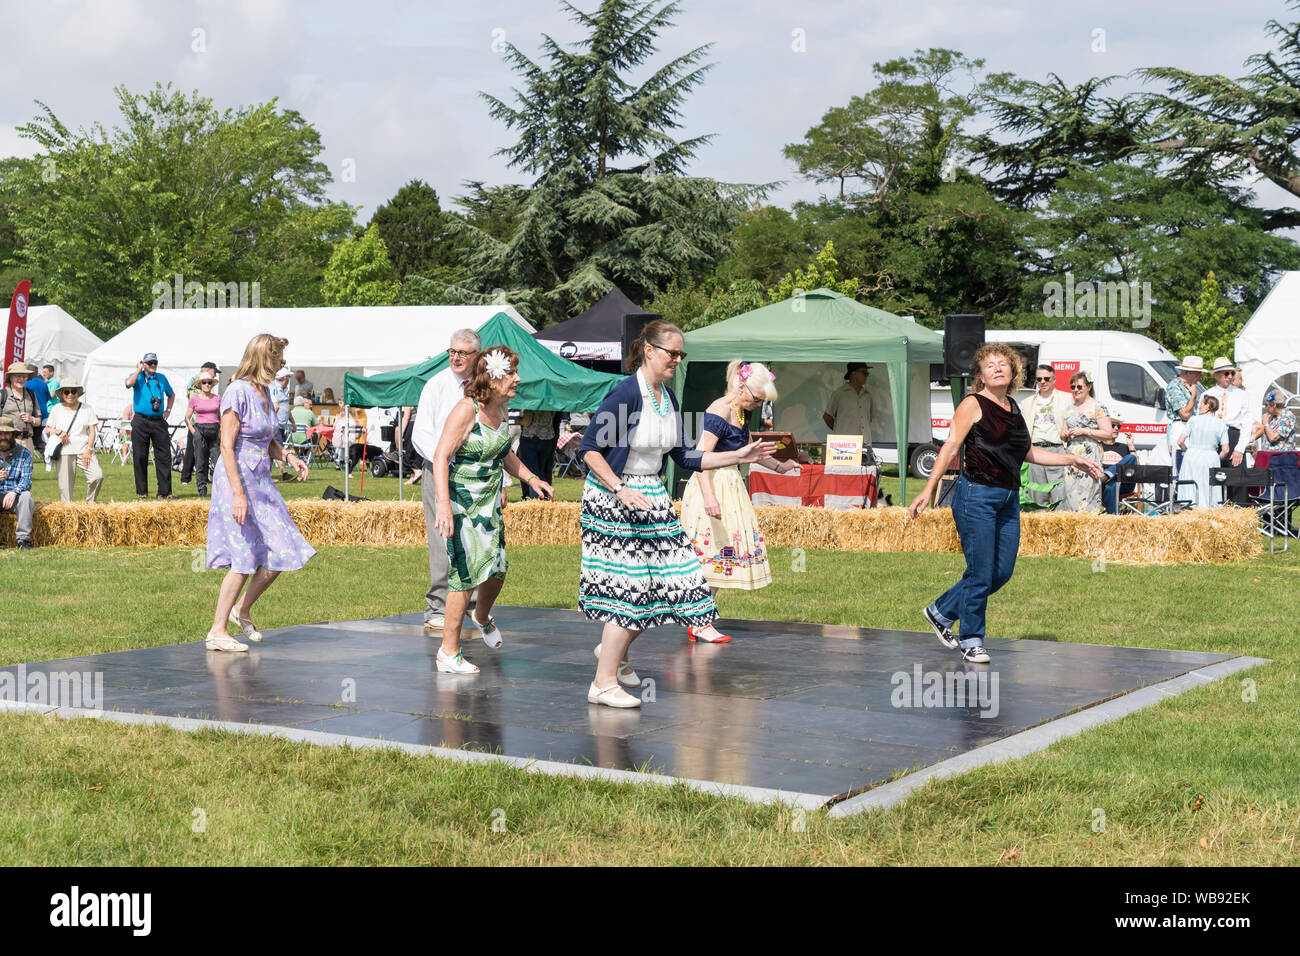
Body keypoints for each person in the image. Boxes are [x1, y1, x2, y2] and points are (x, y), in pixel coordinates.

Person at [577, 320, 776, 707]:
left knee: (678, 586)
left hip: (651, 494)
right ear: (649, 350)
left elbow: (685, 456)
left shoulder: (665, 397)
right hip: (615, 495)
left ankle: (613, 655)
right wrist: (620, 488)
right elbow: (589, 450)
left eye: (682, 354)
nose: (678, 360)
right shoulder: (625, 394)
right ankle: (602, 682)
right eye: (673, 353)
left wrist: (737, 455)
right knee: (632, 587)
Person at [910, 344, 1102, 663]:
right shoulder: (972, 404)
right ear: (981, 374)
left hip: (1008, 497)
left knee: (1000, 571)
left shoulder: (1013, 407)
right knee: (980, 571)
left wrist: (1071, 458)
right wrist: (929, 488)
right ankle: (971, 638)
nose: (997, 368)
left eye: (1003, 364)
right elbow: (950, 447)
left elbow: (1027, 452)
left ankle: (942, 611)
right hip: (977, 496)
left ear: (1013, 372)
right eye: (990, 365)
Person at [430, 346, 555, 673]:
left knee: (497, 567)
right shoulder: (465, 410)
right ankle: (448, 652)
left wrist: (531, 478)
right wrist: (443, 504)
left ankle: (481, 615)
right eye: (511, 373)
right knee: (466, 572)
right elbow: (440, 456)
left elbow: (503, 453)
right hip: (462, 500)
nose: (518, 378)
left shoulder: (501, 409)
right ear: (493, 379)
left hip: (489, 500)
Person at [204, 334, 314, 652]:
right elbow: (226, 445)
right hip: (236, 483)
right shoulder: (237, 392)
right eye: (279, 358)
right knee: (243, 557)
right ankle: (217, 631)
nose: (283, 363)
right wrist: (238, 494)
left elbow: (266, 440)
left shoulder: (264, 391)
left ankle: (242, 609)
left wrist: (288, 457)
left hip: (262, 484)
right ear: (266, 358)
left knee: (282, 550)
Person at [680, 360, 796, 642]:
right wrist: (709, 497)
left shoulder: (740, 412)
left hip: (729, 486)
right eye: (757, 398)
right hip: (714, 485)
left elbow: (746, 452)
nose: (758, 404)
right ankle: (699, 619)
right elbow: (700, 457)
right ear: (742, 386)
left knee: (721, 554)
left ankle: (701, 617)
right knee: (712, 554)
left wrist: (781, 466)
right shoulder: (720, 410)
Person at [412, 328, 481, 633]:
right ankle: (438, 606)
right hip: (439, 468)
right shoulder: (436, 386)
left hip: (476, 472)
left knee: (476, 534)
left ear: (476, 356)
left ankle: (474, 603)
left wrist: (503, 480)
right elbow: (421, 434)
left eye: (462, 353)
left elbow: (494, 430)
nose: (455, 357)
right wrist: (447, 459)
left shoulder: (484, 386)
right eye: (452, 351)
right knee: (442, 536)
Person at [1019, 364, 1073, 508]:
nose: (1043, 382)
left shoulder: (1067, 398)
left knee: (1060, 494)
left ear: (1054, 379)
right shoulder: (1027, 402)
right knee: (1037, 495)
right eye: (1039, 379)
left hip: (1058, 449)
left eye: (1046, 379)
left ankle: (1061, 526)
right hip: (1035, 451)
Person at [124, 352, 176, 499]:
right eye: (150, 363)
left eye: (155, 362)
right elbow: (128, 383)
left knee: (164, 456)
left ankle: (165, 492)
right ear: (144, 364)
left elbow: (171, 395)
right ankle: (142, 492)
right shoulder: (138, 376)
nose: (153, 365)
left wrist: (168, 410)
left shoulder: (162, 378)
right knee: (140, 456)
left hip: (158, 420)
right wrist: (138, 370)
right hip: (141, 420)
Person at [1059, 371, 1111, 513]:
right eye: (1073, 387)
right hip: (1071, 457)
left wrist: (1085, 431)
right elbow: (1063, 433)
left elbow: (1108, 434)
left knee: (1088, 494)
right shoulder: (1069, 408)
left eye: (1079, 387)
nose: (1076, 390)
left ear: (1089, 387)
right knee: (1070, 493)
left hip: (1090, 456)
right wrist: (1064, 434)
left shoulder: (1098, 407)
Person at [42, 381, 102, 503]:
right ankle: (68, 512)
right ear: (62, 394)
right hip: (64, 452)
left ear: (78, 393)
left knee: (97, 476)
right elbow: (47, 429)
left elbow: (92, 432)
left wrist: (88, 450)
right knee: (66, 489)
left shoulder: (87, 408)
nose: (70, 394)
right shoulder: (56, 409)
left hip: (84, 450)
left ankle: (89, 505)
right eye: (67, 392)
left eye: (73, 391)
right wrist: (58, 432)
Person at [1178, 394, 1229, 508]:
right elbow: (1225, 449)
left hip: (1192, 456)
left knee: (1190, 487)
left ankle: (1189, 508)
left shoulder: (1193, 420)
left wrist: (1187, 451)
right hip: (1211, 457)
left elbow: (1180, 441)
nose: (1199, 406)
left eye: (1201, 404)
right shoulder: (1221, 424)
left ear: (1208, 406)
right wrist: (1217, 457)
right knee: (1209, 488)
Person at [1205, 357, 1251, 467]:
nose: (1230, 377)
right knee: (1211, 478)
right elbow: (1201, 420)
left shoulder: (1241, 395)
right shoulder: (1207, 395)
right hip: (1212, 438)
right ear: (1216, 375)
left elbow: (1247, 423)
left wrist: (1240, 448)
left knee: (1236, 480)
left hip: (1234, 437)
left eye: (1232, 373)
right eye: (1226, 373)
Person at [1164, 356, 1205, 474]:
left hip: (1190, 428)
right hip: (1180, 428)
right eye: (1198, 373)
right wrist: (1193, 396)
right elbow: (1185, 414)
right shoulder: (1175, 387)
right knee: (1181, 469)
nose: (1200, 376)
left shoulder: (1190, 386)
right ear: (1189, 372)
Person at [823, 362, 874, 455]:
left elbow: (869, 418)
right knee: (843, 469)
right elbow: (827, 417)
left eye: (867, 373)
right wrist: (840, 431)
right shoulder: (839, 394)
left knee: (866, 468)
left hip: (865, 443)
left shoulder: (868, 396)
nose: (867, 376)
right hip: (844, 445)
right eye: (864, 373)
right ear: (853, 374)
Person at [182, 362, 220, 485]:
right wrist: (193, 430)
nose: (207, 384)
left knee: (218, 460)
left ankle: (219, 486)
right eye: (204, 382)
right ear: (200, 385)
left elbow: (221, 416)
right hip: (199, 429)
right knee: (200, 460)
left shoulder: (217, 398)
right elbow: (187, 417)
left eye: (209, 382)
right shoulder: (194, 398)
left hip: (215, 430)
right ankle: (200, 488)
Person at [0, 417, 35, 549]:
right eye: (0, 433)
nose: (3, 437)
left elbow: (26, 480)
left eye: (7, 433)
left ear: (13, 435)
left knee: (26, 497)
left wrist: (14, 492)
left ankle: (23, 540)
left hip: (15, 496)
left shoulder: (24, 453)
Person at [516, 409, 560, 500]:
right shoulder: (551, 403)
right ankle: (545, 497)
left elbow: (526, 422)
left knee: (533, 474)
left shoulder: (530, 403)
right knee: (541, 471)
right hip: (547, 438)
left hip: (530, 438)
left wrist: (516, 420)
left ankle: (536, 501)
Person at [1099, 415, 1138, 514]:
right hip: (1104, 485)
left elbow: (1137, 466)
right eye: (1112, 426)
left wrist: (1131, 445)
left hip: (1124, 482)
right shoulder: (1097, 446)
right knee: (1111, 485)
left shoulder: (1124, 447)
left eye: (1118, 426)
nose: (1116, 428)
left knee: (1131, 457)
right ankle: (1114, 517)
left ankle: (1107, 475)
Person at [1, 363, 42, 455]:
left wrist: (32, 419)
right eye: (18, 376)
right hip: (7, 441)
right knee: (6, 469)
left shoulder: (31, 394)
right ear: (11, 377)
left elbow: (39, 421)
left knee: (27, 469)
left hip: (28, 441)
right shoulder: (2, 395)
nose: (21, 379)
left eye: (24, 376)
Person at [271, 367, 293, 479]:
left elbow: (286, 408)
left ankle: (267, 475)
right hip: (275, 424)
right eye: (288, 377)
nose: (289, 379)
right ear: (285, 378)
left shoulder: (285, 390)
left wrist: (292, 422)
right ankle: (284, 473)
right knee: (279, 448)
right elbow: (274, 407)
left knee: (272, 450)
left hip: (282, 425)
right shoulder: (273, 388)